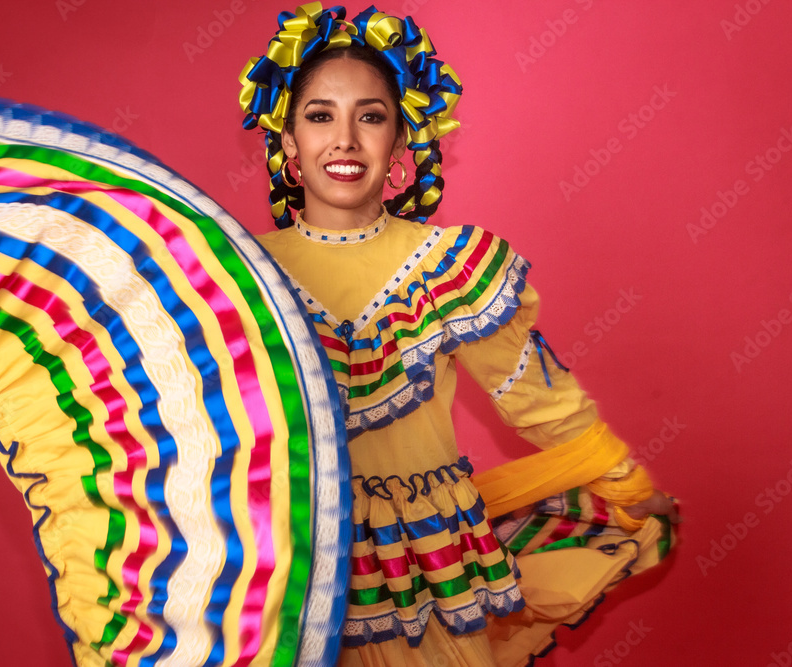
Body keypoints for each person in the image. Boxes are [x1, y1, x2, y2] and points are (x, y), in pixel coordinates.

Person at [238, 5, 678, 665]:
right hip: (293, 560)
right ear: (289, 141)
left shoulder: (449, 267)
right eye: (321, 116)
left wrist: (623, 481)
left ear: (401, 141)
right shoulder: (240, 272)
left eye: (371, 117)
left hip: (428, 563)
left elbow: (532, 393)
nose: (345, 140)